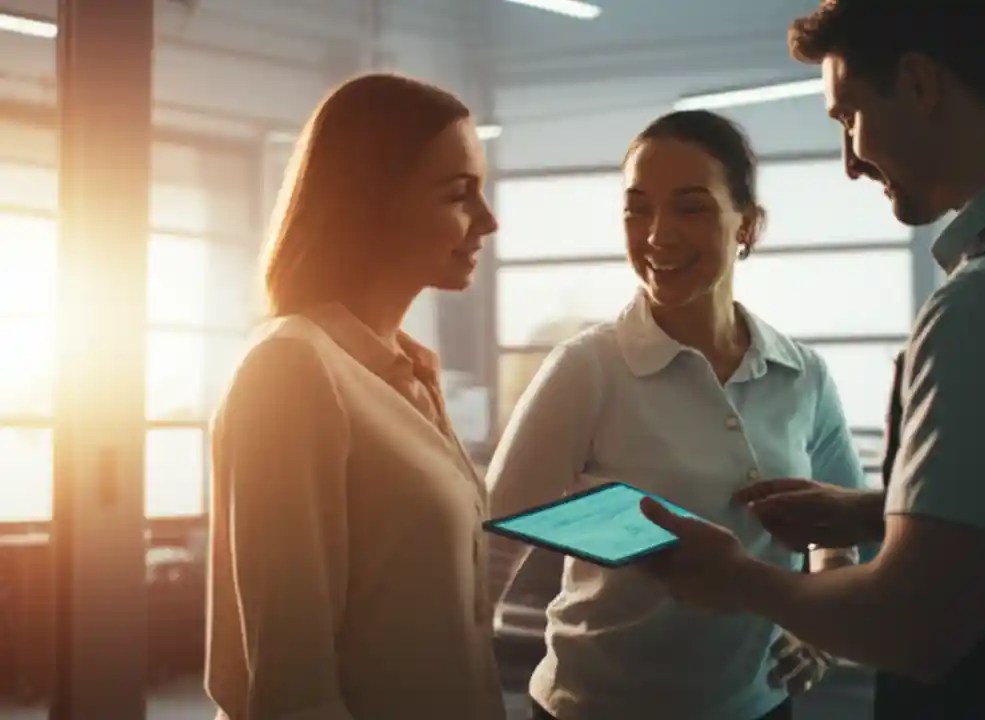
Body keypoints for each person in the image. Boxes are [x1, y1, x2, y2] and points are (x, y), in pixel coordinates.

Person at [638, 2, 985, 719]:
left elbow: (911, 627)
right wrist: (882, 515)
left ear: (919, 83)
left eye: (848, 118)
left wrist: (738, 580)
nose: (849, 163)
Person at [485, 109, 870, 720]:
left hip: (756, 706)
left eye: (690, 207)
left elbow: (838, 529)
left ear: (748, 225)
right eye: (638, 209)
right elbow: (495, 537)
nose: (657, 234)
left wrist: (815, 623)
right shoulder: (587, 367)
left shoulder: (803, 375)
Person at [204, 73, 506, 720]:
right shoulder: (291, 369)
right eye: (460, 194)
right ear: (368, 200)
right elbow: (290, 686)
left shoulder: (406, 368)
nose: (488, 220)